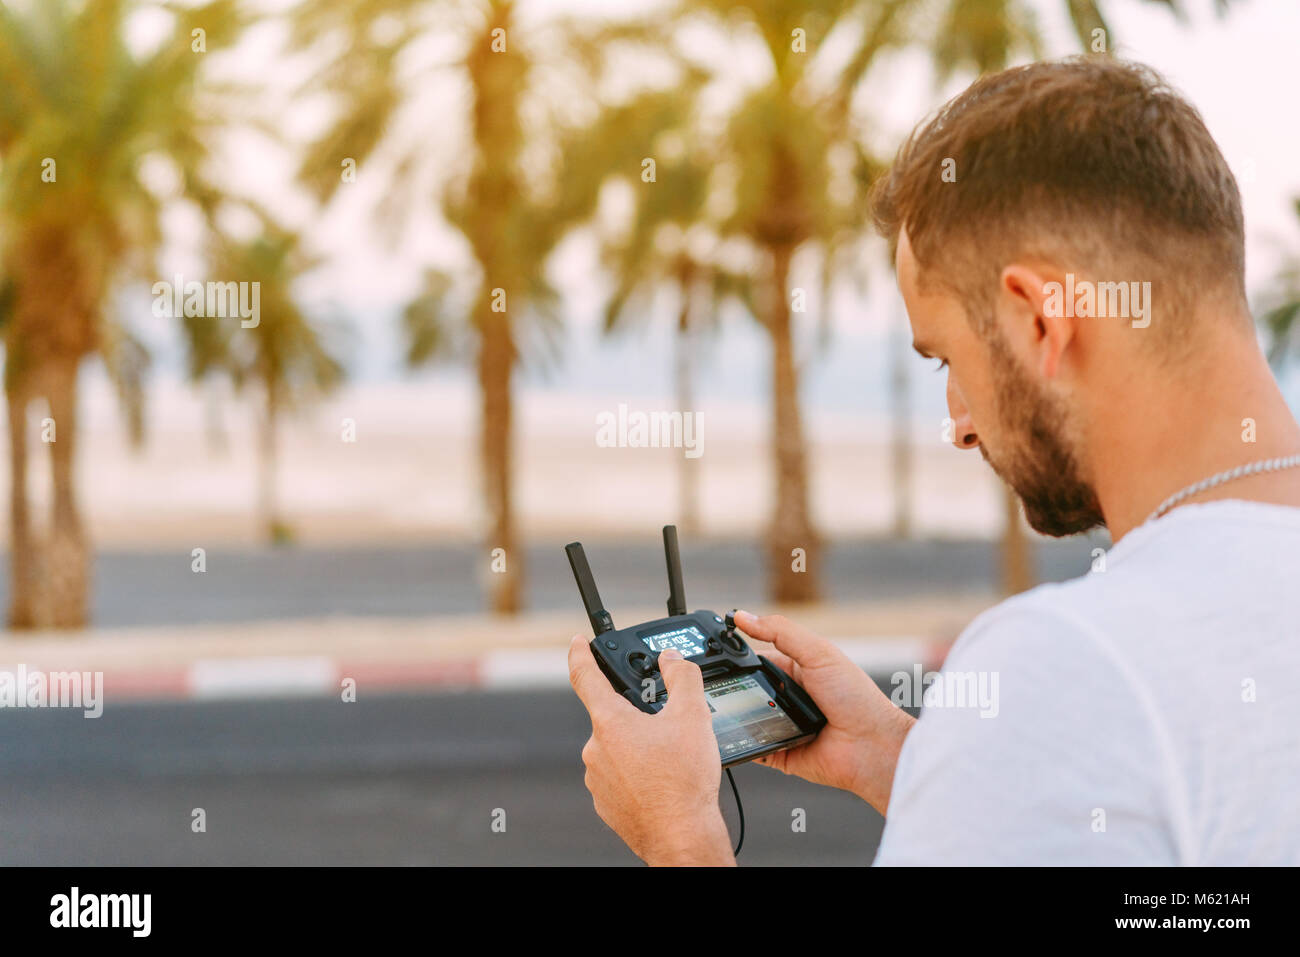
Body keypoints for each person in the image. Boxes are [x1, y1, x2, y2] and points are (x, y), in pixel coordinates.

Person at [567, 56, 1300, 865]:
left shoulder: (1071, 668)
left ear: (1038, 320)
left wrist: (680, 837)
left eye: (944, 357)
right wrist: (905, 759)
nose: (957, 425)